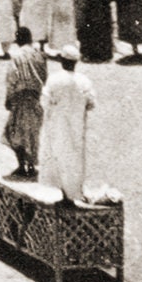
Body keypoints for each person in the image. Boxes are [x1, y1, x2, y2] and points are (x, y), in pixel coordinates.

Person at [38, 44, 96, 201]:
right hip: (77, 125)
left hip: (58, 125)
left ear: (62, 61)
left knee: (58, 154)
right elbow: (91, 103)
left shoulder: (54, 79)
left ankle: (64, 193)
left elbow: (44, 100)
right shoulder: (84, 81)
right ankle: (73, 192)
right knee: (75, 157)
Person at [3, 27, 48, 178]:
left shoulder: (16, 56)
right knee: (32, 133)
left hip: (20, 98)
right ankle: (31, 166)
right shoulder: (40, 55)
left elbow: (12, 78)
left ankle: (22, 165)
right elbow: (44, 75)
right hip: (35, 97)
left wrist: (8, 98)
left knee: (14, 133)